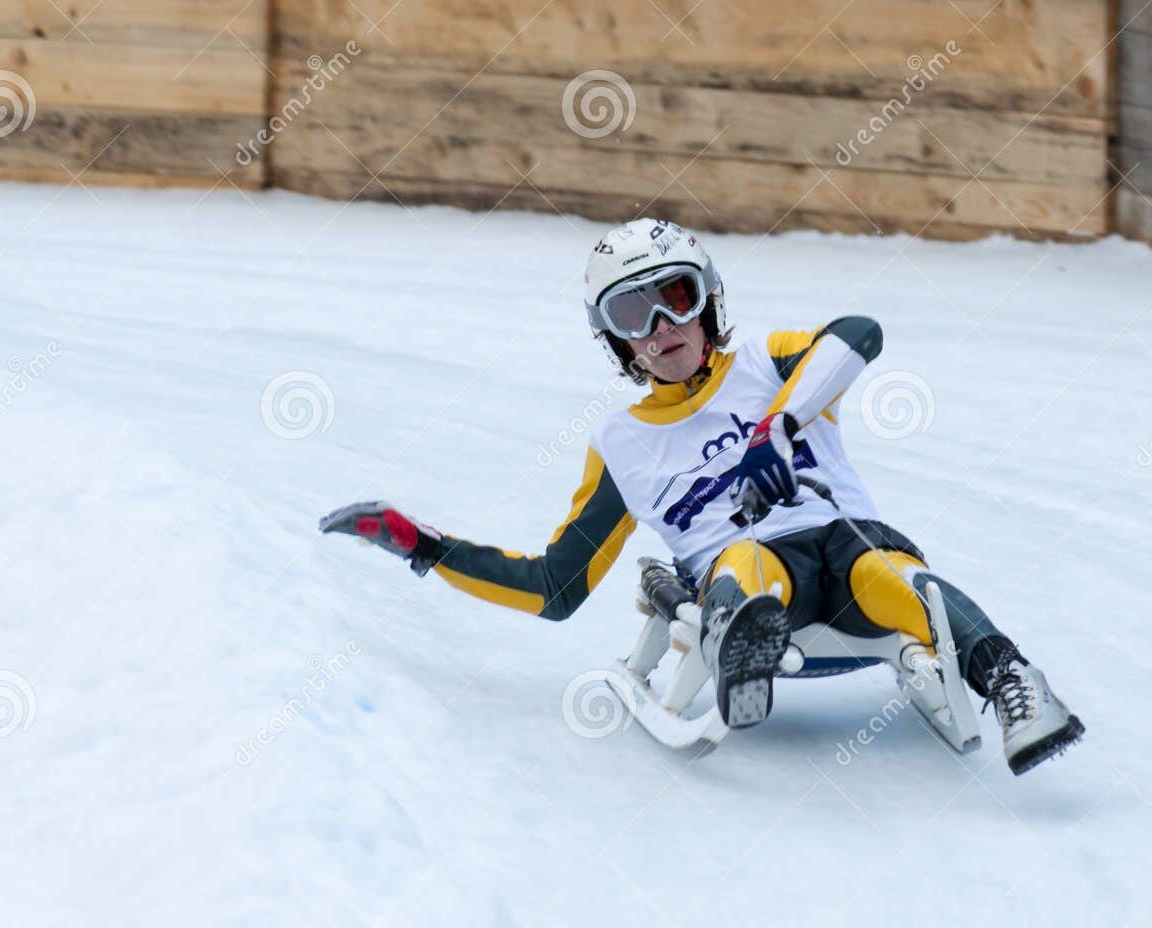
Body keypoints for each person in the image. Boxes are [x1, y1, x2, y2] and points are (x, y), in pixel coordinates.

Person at [321, 219, 1083, 774]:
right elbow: (556, 587)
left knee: (894, 574)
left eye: (675, 296)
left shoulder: (767, 363)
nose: (660, 327)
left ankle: (1014, 680)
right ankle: (740, 645)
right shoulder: (621, 444)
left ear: (708, 299)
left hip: (848, 545)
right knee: (746, 561)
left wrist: (778, 428)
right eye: (632, 314)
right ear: (614, 340)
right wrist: (425, 547)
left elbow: (860, 332)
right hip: (749, 570)